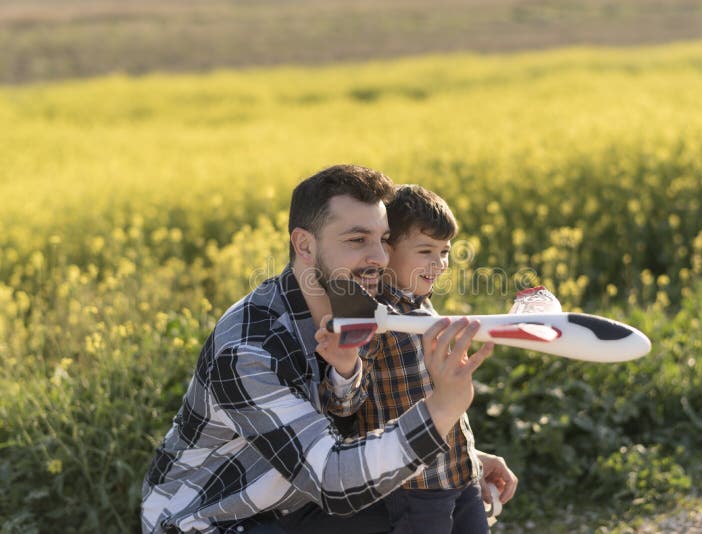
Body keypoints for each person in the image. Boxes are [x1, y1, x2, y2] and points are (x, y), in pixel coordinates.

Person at [140, 165, 496, 534]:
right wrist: (441, 411)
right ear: (305, 245)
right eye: (358, 240)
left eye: (384, 239)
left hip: (294, 502)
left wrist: (458, 454)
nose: (380, 258)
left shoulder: (359, 314)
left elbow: (360, 415)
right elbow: (333, 480)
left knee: (429, 510)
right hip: (218, 519)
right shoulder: (248, 349)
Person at [317, 185, 518, 533]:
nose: (438, 263)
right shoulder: (377, 317)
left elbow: (441, 401)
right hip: (415, 489)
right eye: (426, 251)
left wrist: (473, 457)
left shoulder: (421, 305)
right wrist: (344, 366)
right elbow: (345, 407)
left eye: (445, 252)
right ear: (386, 251)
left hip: (460, 476)